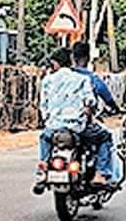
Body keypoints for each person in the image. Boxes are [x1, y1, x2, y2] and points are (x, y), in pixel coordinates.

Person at [37, 47, 114, 185]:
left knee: (44, 137)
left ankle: (42, 170)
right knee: (105, 137)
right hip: (77, 127)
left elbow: (43, 106)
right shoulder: (82, 79)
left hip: (54, 127)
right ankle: (101, 173)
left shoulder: (47, 80)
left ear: (55, 64)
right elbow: (91, 102)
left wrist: (49, 120)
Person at [69, 42, 117, 184]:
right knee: (105, 137)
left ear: (73, 58)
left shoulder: (61, 78)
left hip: (58, 125)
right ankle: (101, 173)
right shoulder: (92, 79)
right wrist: (115, 109)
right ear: (88, 58)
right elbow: (107, 98)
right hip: (82, 125)